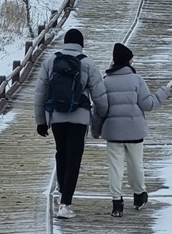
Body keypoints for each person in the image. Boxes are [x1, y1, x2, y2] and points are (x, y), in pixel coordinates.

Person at [34, 28, 107, 219]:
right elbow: (99, 95)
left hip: (57, 117)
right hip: (79, 118)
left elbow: (40, 93)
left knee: (61, 152)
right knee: (74, 157)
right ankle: (65, 203)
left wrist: (41, 121)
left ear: (65, 42)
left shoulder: (51, 61)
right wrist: (102, 116)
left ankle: (61, 187)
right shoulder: (87, 63)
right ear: (81, 44)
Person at [92, 42, 169, 217]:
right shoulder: (137, 80)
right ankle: (139, 195)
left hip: (112, 132)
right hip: (135, 131)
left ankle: (117, 203)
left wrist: (96, 130)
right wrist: (163, 92)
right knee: (136, 164)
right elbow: (148, 104)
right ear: (128, 61)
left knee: (115, 167)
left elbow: (99, 109)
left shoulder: (106, 82)